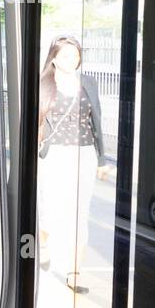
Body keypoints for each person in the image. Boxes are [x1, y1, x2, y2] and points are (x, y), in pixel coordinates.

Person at [37, 35, 107, 293]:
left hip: (85, 152)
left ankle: (74, 272)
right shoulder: (44, 84)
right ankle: (43, 244)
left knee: (80, 213)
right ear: (54, 57)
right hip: (55, 154)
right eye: (67, 55)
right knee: (50, 211)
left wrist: (101, 158)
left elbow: (96, 120)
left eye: (76, 54)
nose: (73, 59)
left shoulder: (88, 82)